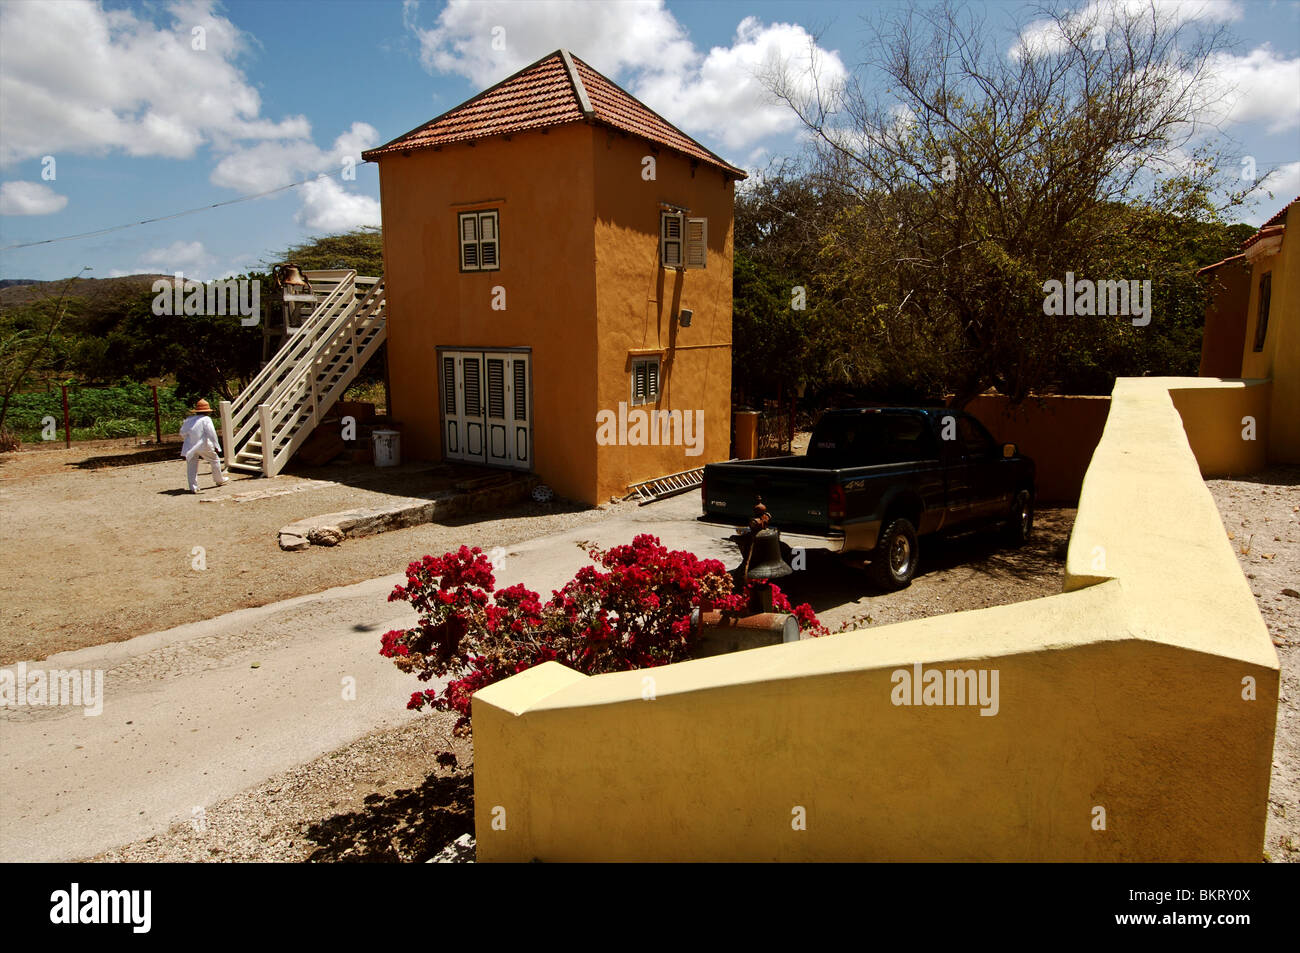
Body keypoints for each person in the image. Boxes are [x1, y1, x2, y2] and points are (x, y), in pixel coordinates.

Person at [179, 399, 229, 493]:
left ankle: (193, 487)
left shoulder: (189, 419)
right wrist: (216, 445)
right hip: (203, 444)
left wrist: (190, 439)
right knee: (214, 460)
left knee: (191, 465)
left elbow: (182, 433)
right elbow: (211, 433)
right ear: (207, 411)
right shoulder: (206, 419)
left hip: (190, 446)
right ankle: (219, 480)